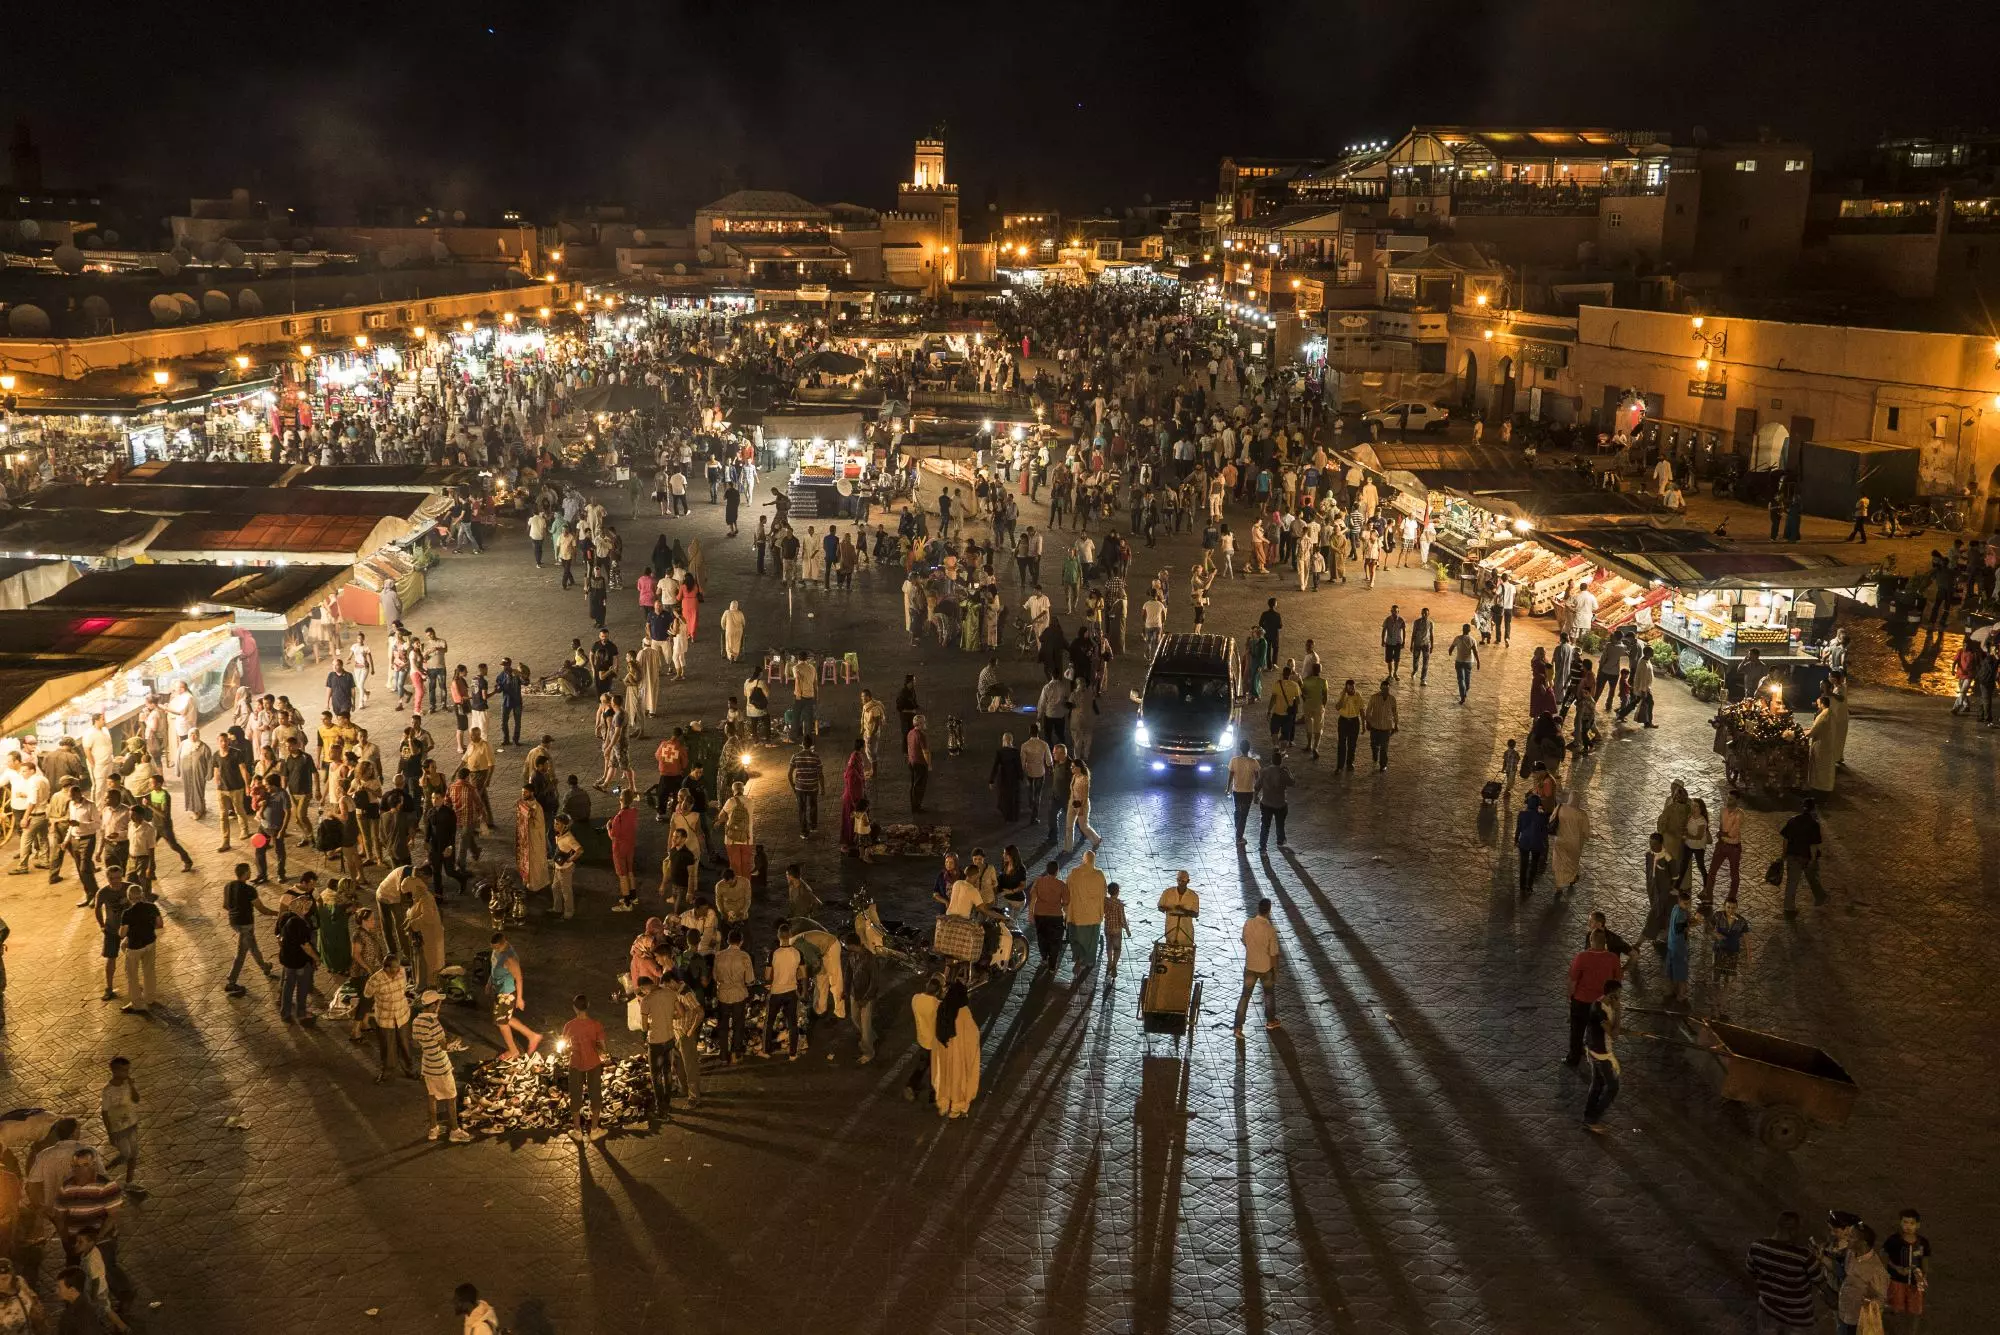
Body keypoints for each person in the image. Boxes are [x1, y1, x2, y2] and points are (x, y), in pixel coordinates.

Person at [412, 989, 471, 1142]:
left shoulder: (416, 1021)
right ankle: (454, 1131)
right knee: (451, 1098)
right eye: (438, 1004)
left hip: (427, 1064)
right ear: (432, 1006)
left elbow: (416, 1044)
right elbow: (444, 1046)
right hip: (441, 1065)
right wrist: (454, 1044)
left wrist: (430, 1045)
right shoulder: (434, 1023)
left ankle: (433, 1129)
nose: (439, 1006)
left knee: (432, 1097)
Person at [1747, 1212, 1820, 1334]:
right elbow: (1819, 1279)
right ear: (1791, 1231)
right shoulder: (1804, 1256)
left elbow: (1751, 1271)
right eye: (1798, 1229)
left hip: (1768, 1312)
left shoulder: (1756, 1247)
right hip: (1798, 1320)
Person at [562, 994, 609, 1142]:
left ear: (574, 1007)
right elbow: (603, 1049)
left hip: (575, 1064)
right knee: (595, 1095)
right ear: (588, 1006)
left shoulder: (569, 1025)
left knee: (575, 1096)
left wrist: (569, 1049)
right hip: (593, 1064)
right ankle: (594, 1130)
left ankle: (577, 1131)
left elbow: (564, 1048)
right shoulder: (596, 1025)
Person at [932, 980, 981, 1119]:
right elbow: (973, 1034)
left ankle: (943, 1103)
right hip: (958, 1054)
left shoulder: (942, 1007)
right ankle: (956, 1107)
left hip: (944, 1051)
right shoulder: (964, 1012)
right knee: (958, 1079)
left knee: (944, 1078)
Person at [488, 932, 542, 1059]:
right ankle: (533, 1036)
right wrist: (489, 982)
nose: (494, 950)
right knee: (507, 1018)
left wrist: (519, 998)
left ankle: (513, 1051)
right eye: (492, 947)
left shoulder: (510, 958)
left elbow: (519, 978)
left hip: (507, 993)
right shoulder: (497, 951)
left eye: (496, 947)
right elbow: (494, 966)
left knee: (502, 1022)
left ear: (503, 944)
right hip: (499, 989)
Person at [1233, 898, 1280, 1036]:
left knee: (1245, 996)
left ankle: (1237, 1027)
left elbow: (1244, 941)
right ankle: (1271, 1021)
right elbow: (1273, 954)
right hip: (1265, 968)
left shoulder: (1248, 923)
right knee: (1269, 995)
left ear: (1258, 908)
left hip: (1250, 966)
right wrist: (1275, 971)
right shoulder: (1270, 930)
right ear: (1269, 910)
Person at [1582, 978, 1622, 1131]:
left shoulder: (1603, 1003)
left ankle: (1589, 1116)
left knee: (1598, 1084)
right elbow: (1613, 1034)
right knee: (1613, 1087)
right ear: (1611, 995)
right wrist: (1618, 1013)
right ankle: (1592, 1118)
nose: (1620, 998)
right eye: (1618, 995)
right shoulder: (1600, 1010)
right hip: (1600, 1054)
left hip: (1595, 1050)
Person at [1881, 1208, 1931, 1332]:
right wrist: (1896, 1268)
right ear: (1900, 1223)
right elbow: (1883, 1255)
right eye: (1905, 1222)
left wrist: (1923, 1277)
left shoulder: (1923, 1243)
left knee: (1915, 1311)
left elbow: (1925, 1260)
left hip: (1915, 1283)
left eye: (1911, 1223)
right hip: (1896, 1282)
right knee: (1896, 1309)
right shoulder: (1893, 1241)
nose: (1908, 1226)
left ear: (1918, 1225)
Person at [98, 1058, 140, 1192]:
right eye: (124, 1070)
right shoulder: (107, 1090)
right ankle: (104, 1170)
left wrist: (132, 1086)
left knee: (133, 1155)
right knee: (125, 1154)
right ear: (114, 1071)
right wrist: (110, 1132)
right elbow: (104, 1112)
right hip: (117, 1128)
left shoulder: (127, 1084)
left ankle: (129, 1183)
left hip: (131, 1123)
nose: (127, 1073)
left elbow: (136, 1099)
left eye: (128, 1070)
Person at [1838, 1224, 1889, 1335]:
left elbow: (1880, 1300)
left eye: (1851, 1236)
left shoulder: (1876, 1270)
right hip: (1844, 1314)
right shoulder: (1851, 1253)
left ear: (1863, 1243)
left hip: (1859, 1323)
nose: (1847, 1239)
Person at [764, 925, 806, 1060]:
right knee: (792, 1023)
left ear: (778, 936)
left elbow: (767, 976)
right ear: (790, 935)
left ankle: (766, 1051)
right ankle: (792, 1054)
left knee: (769, 1022)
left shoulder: (773, 953)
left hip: (776, 991)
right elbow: (804, 974)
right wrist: (803, 991)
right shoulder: (798, 953)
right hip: (791, 991)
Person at [1779, 797, 1826, 915]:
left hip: (1792, 855)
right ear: (1813, 810)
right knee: (1812, 877)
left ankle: (1789, 907)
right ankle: (1820, 896)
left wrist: (1783, 854)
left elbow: (1785, 839)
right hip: (1806, 856)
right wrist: (1813, 860)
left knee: (1792, 882)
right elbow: (1814, 846)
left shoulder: (1792, 820)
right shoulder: (1814, 824)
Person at [1064, 851, 1107, 971]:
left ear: (1083, 859)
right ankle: (1089, 961)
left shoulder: (1074, 873)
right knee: (1092, 941)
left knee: (1076, 937)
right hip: (1093, 915)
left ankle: (1079, 957)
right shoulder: (1099, 874)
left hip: (1076, 915)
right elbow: (1104, 891)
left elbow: (1067, 888)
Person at [1549, 791, 1589, 893]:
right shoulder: (1582, 815)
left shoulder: (1560, 808)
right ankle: (1571, 879)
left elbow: (1551, 819)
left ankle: (1559, 885)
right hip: (1574, 844)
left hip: (1560, 841)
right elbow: (1586, 832)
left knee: (1559, 862)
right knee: (1572, 863)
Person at [1255, 749, 1292, 851]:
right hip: (1280, 803)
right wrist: (1288, 770)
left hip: (1266, 802)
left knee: (1265, 826)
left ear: (1271, 760)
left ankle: (1262, 847)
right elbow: (1292, 782)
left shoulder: (1264, 771)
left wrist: (1255, 796)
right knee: (1280, 824)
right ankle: (1280, 841)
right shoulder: (1283, 772)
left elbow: (1257, 786)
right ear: (1281, 761)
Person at [1514, 793, 1549, 894]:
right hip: (1537, 843)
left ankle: (1522, 885)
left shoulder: (1522, 814)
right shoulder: (1542, 816)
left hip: (1524, 841)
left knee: (1523, 864)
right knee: (1534, 864)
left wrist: (1516, 840)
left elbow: (1518, 829)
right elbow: (1544, 832)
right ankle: (1529, 886)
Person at [1226, 740, 1258, 845]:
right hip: (1248, 791)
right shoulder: (1254, 762)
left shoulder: (1234, 761)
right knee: (1244, 815)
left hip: (1237, 791)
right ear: (1248, 749)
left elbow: (1230, 776)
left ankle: (1238, 831)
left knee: (1237, 811)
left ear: (1240, 748)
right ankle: (1239, 836)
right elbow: (1257, 779)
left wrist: (1228, 788)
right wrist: (1256, 794)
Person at [1363, 677, 1399, 770]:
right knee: (1374, 744)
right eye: (1383, 688)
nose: (1385, 690)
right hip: (1375, 726)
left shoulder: (1392, 699)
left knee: (1384, 747)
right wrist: (1368, 722)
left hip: (1386, 727)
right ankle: (1375, 754)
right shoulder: (1374, 697)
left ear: (1389, 689)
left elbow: (1395, 712)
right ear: (1380, 688)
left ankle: (1383, 765)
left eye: (1386, 689)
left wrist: (1396, 724)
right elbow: (1368, 711)